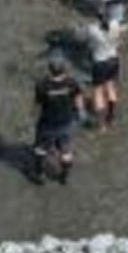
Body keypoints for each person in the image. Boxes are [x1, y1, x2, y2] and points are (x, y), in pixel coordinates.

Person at [32, 54, 84, 185]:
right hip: (66, 122)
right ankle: (64, 176)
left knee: (40, 148)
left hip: (47, 123)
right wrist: (80, 112)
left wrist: (34, 116)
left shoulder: (42, 85)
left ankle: (38, 174)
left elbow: (37, 105)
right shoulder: (71, 82)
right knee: (65, 150)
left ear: (49, 69)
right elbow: (78, 99)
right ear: (64, 69)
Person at [80, 16, 122, 130]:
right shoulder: (115, 28)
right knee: (110, 86)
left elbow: (86, 34)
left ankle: (101, 122)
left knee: (98, 91)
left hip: (100, 63)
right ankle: (111, 114)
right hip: (114, 60)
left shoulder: (95, 32)